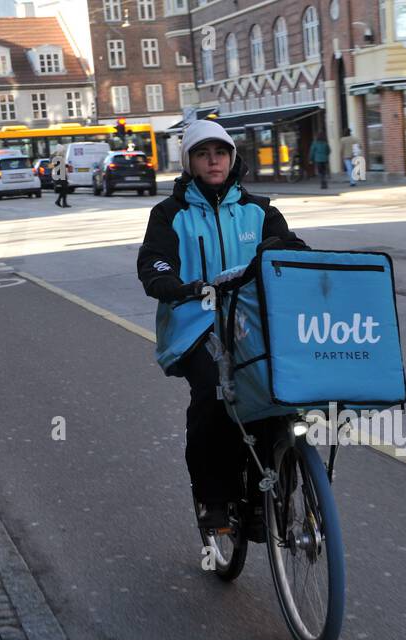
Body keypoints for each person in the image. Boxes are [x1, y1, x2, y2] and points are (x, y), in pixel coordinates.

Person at [136, 119, 307, 532]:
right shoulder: (169, 214)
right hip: (196, 326)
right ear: (190, 162)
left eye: (220, 152)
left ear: (232, 158)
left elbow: (295, 250)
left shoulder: (260, 210)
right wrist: (169, 282)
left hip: (252, 324)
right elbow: (153, 261)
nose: (213, 160)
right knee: (215, 394)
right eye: (202, 153)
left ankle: (270, 496)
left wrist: (281, 249)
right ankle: (213, 498)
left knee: (277, 392)